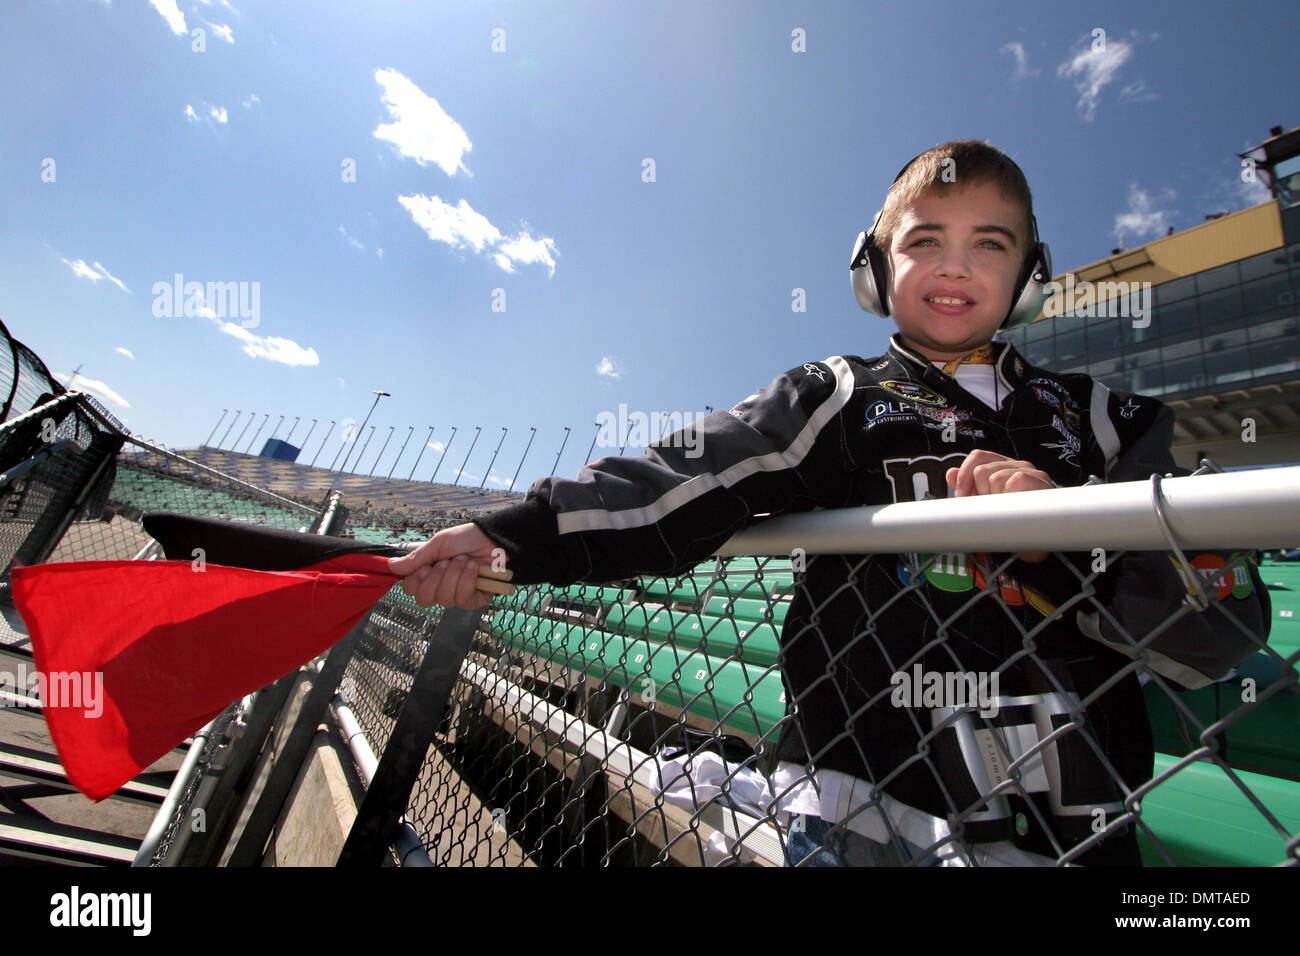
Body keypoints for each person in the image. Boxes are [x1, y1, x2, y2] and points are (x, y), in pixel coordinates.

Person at [386, 140, 1268, 866]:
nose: (954, 265)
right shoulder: (836, 394)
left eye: (990, 243)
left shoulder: (1110, 423)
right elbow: (672, 482)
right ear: (875, 270)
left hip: (1074, 828)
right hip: (860, 807)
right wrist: (510, 540)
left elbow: (1218, 631)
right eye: (924, 240)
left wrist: (1063, 528)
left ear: (1030, 274)